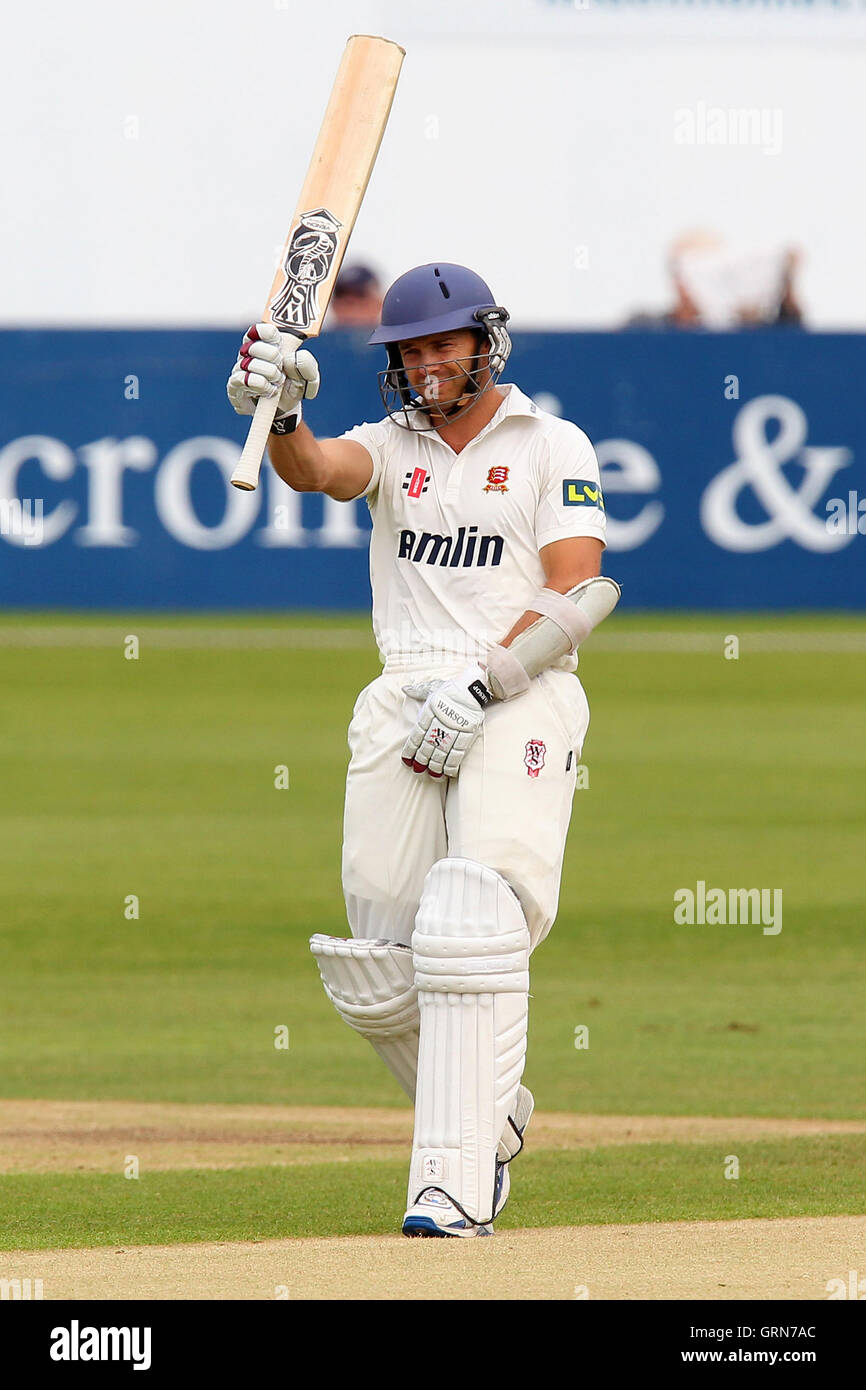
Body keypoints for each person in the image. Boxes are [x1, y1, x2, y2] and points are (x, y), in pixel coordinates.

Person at [226, 264, 620, 1237]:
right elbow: (317, 472)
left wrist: (487, 679)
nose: (426, 363)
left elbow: (580, 587)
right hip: (403, 689)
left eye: (443, 344)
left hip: (517, 688)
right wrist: (279, 413)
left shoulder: (548, 442)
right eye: (409, 349)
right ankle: (488, 1114)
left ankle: (451, 1187)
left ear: (485, 343)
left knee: (471, 918)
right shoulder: (389, 445)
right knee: (374, 963)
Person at [329, 263, 384, 328]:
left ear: (379, 304)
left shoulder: (392, 336)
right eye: (346, 304)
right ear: (333, 306)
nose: (352, 312)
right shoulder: (319, 337)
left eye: (363, 305)